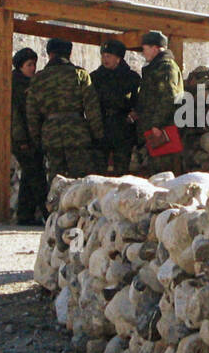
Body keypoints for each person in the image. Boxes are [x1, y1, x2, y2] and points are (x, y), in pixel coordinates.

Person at [25, 36, 104, 183]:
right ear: (69, 54)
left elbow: (31, 114)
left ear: (50, 54)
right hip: (77, 135)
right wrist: (97, 136)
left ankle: (55, 206)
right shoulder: (80, 75)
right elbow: (92, 108)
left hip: (51, 136)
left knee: (56, 182)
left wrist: (37, 139)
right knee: (80, 183)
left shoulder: (38, 79)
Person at [131, 30, 185, 175]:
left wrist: (158, 124)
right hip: (156, 128)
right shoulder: (156, 67)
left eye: (145, 49)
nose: (143, 53)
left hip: (163, 130)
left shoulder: (165, 67)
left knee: (164, 171)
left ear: (155, 48)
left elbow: (168, 97)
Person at [91, 38, 141, 175]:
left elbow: (140, 101)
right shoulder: (95, 77)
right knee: (98, 171)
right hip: (101, 127)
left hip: (123, 128)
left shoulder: (131, 78)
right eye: (103, 56)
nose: (105, 59)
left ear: (118, 58)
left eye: (108, 56)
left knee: (122, 170)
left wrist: (134, 114)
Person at [11, 47, 48, 224]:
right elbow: (16, 116)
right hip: (24, 140)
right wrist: (22, 140)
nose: (32, 68)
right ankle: (46, 214)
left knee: (29, 176)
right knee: (37, 177)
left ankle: (25, 215)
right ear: (20, 66)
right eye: (29, 65)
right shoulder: (16, 86)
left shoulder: (29, 84)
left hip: (33, 137)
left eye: (34, 64)